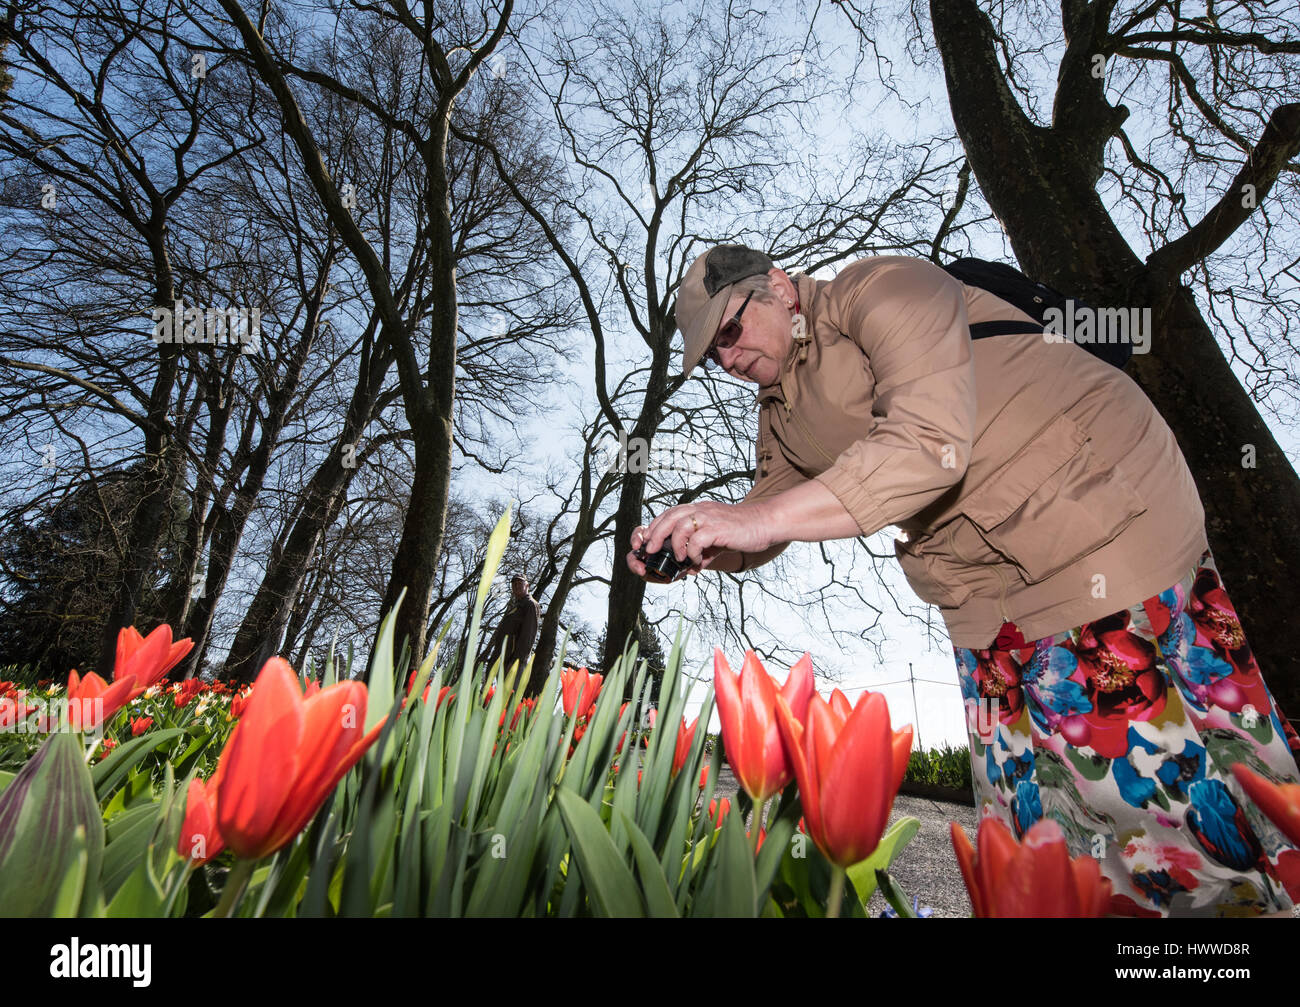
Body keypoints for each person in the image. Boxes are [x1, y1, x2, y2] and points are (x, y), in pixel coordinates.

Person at [627, 243, 1300, 917]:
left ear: (777, 286)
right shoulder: (779, 410)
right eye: (713, 355)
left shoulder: (881, 288)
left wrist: (757, 519)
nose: (729, 358)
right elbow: (765, 513)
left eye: (731, 331)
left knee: (1172, 803)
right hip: (980, 591)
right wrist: (705, 543)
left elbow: (928, 444)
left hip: (1099, 519)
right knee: (1034, 826)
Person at [482, 576, 540, 680]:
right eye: (514, 584)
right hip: (501, 660)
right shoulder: (515, 607)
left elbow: (528, 636)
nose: (516, 585)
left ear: (527, 586)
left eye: (520, 583)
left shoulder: (530, 605)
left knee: (509, 695)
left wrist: (516, 662)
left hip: (513, 663)